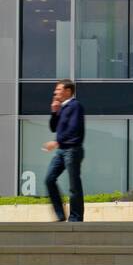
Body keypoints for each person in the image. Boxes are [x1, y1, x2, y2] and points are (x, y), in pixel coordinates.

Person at [42, 79, 85, 223]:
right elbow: (53, 128)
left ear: (68, 91)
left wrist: (56, 142)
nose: (55, 92)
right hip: (61, 151)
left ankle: (76, 218)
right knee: (49, 179)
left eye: (58, 89)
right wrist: (54, 112)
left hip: (73, 150)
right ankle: (60, 215)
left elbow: (74, 129)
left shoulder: (75, 106)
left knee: (74, 185)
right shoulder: (62, 107)